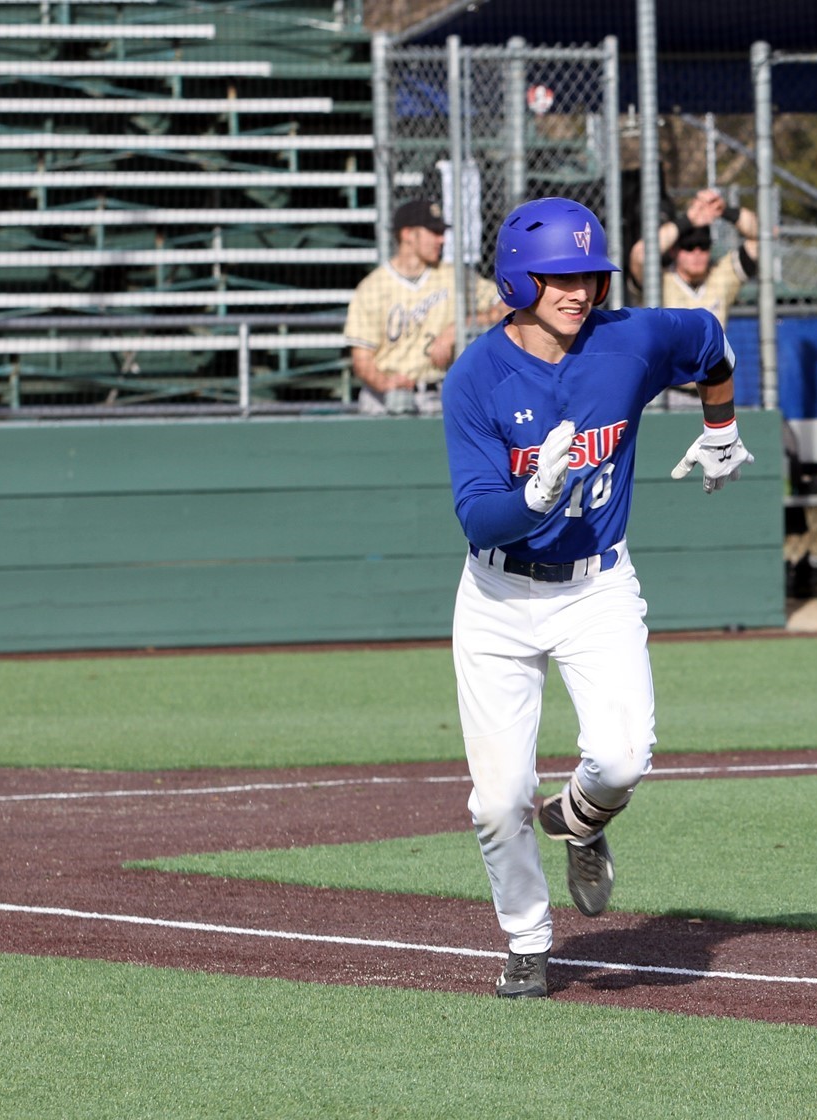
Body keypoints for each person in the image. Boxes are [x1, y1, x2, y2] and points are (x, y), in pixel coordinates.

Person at [441, 196, 751, 1000]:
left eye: (590, 274)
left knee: (620, 759)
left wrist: (720, 425)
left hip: (597, 584)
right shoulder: (476, 376)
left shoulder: (631, 338)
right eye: (559, 276)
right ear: (518, 279)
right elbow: (477, 511)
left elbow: (712, 342)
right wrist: (533, 498)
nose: (579, 290)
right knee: (498, 799)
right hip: (498, 594)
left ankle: (580, 822)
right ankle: (528, 942)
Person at [344, 197, 503, 415]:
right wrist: (385, 383)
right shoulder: (373, 287)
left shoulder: (453, 276)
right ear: (408, 234)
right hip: (383, 398)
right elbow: (361, 359)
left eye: (442, 232)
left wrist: (460, 326)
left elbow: (509, 304)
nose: (442, 239)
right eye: (434, 232)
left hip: (437, 394)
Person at [627, 187, 761, 326]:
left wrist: (723, 210)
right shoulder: (661, 281)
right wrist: (688, 219)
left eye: (703, 246)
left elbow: (763, 236)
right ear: (674, 250)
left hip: (711, 349)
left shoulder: (721, 275)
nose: (697, 253)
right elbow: (640, 255)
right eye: (689, 246)